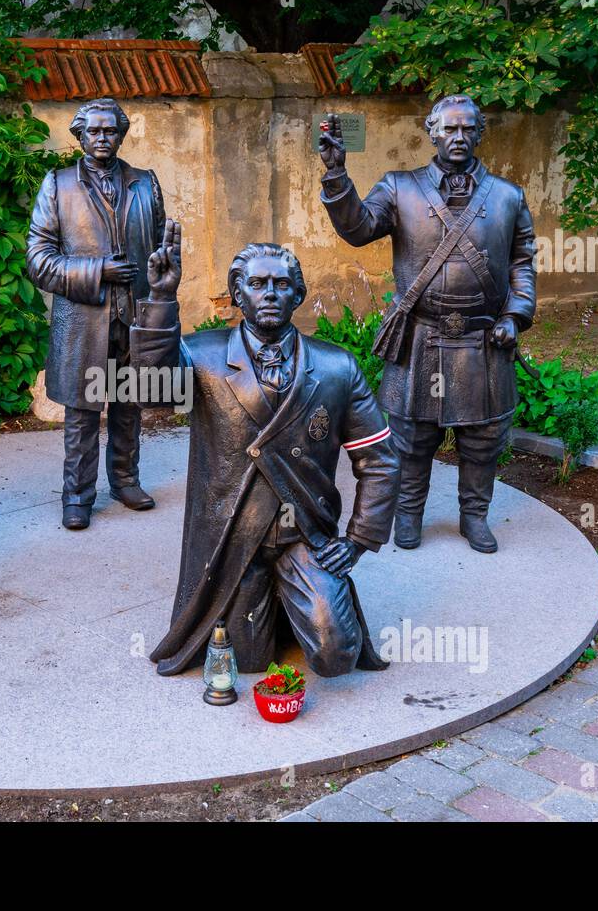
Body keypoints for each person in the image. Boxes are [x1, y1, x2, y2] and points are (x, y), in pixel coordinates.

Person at [132, 228, 399, 677]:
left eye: (281, 284)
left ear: (299, 294)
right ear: (237, 294)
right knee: (249, 663)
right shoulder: (202, 356)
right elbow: (151, 391)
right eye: (257, 284)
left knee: (337, 655)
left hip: (304, 534)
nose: (270, 294)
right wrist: (161, 299)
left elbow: (380, 460)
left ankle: (301, 598)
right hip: (234, 538)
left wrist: (357, 541)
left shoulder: (337, 367)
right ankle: (266, 605)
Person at [318, 96, 537, 553]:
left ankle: (474, 517)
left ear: (480, 134)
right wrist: (337, 175)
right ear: (432, 131)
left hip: (483, 339)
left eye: (467, 129)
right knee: (411, 438)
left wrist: (516, 315)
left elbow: (522, 264)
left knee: (482, 440)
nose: (458, 138)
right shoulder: (400, 188)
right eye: (449, 129)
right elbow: (358, 228)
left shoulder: (508, 197)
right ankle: (409, 516)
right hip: (420, 336)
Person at [26, 98, 166, 530]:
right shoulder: (58, 184)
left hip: (133, 315)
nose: (103, 138)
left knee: (130, 404)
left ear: (121, 134)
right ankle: (77, 495)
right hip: (84, 318)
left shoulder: (146, 183)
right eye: (95, 131)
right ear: (80, 136)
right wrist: (96, 270)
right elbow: (38, 259)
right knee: (83, 412)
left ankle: (125, 480)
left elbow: (161, 246)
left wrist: (164, 275)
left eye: (111, 131)